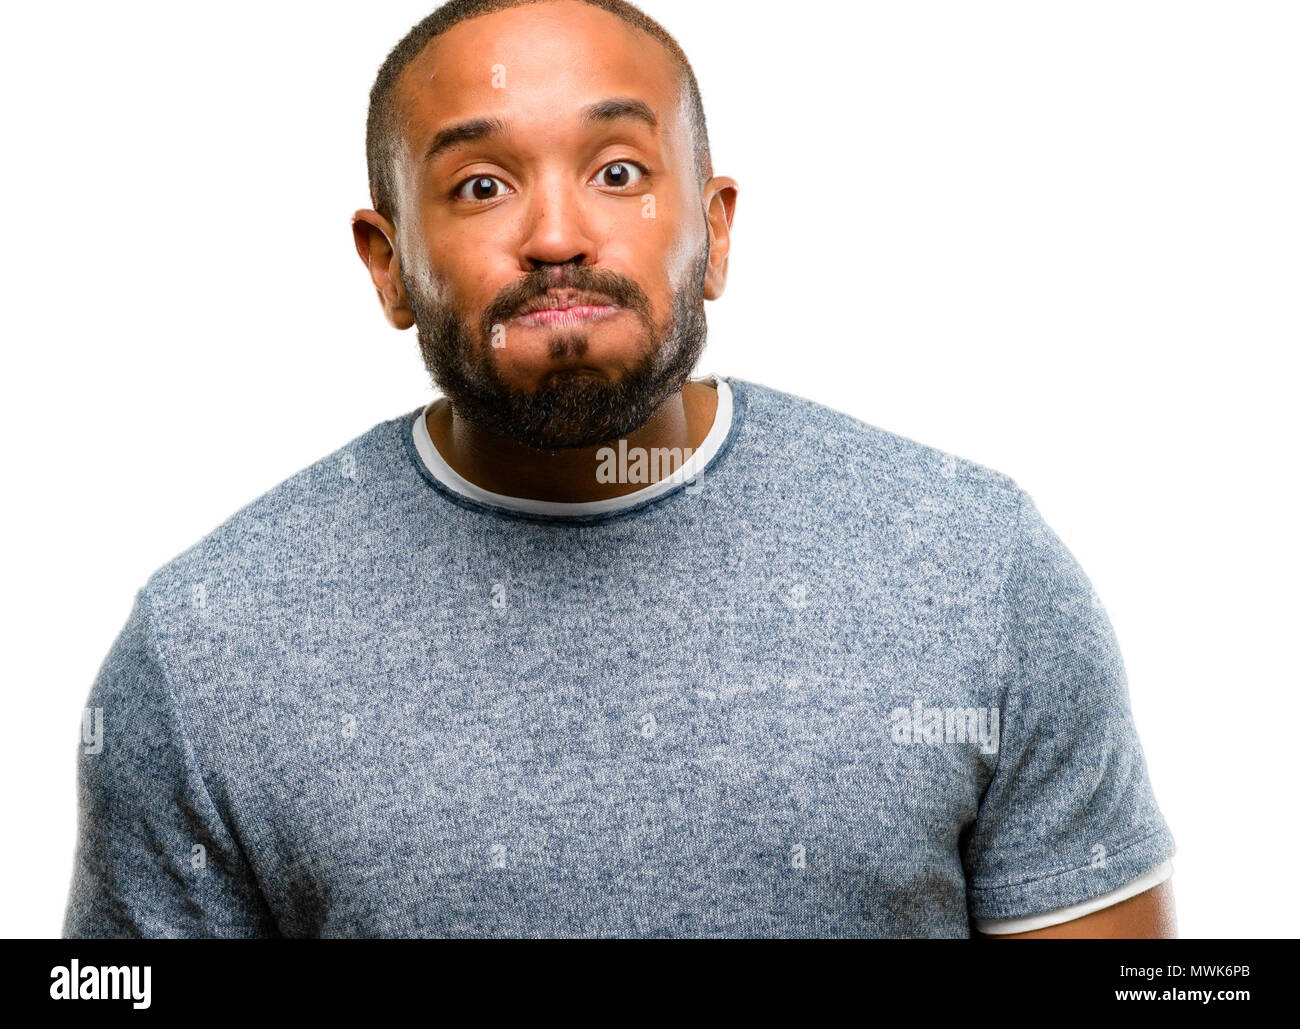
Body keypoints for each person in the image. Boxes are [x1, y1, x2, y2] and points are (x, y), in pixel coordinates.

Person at [64, 0, 1175, 938]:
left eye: (617, 170)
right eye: (481, 187)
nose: (557, 235)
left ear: (715, 231)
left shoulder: (975, 566)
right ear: (388, 266)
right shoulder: (205, 646)